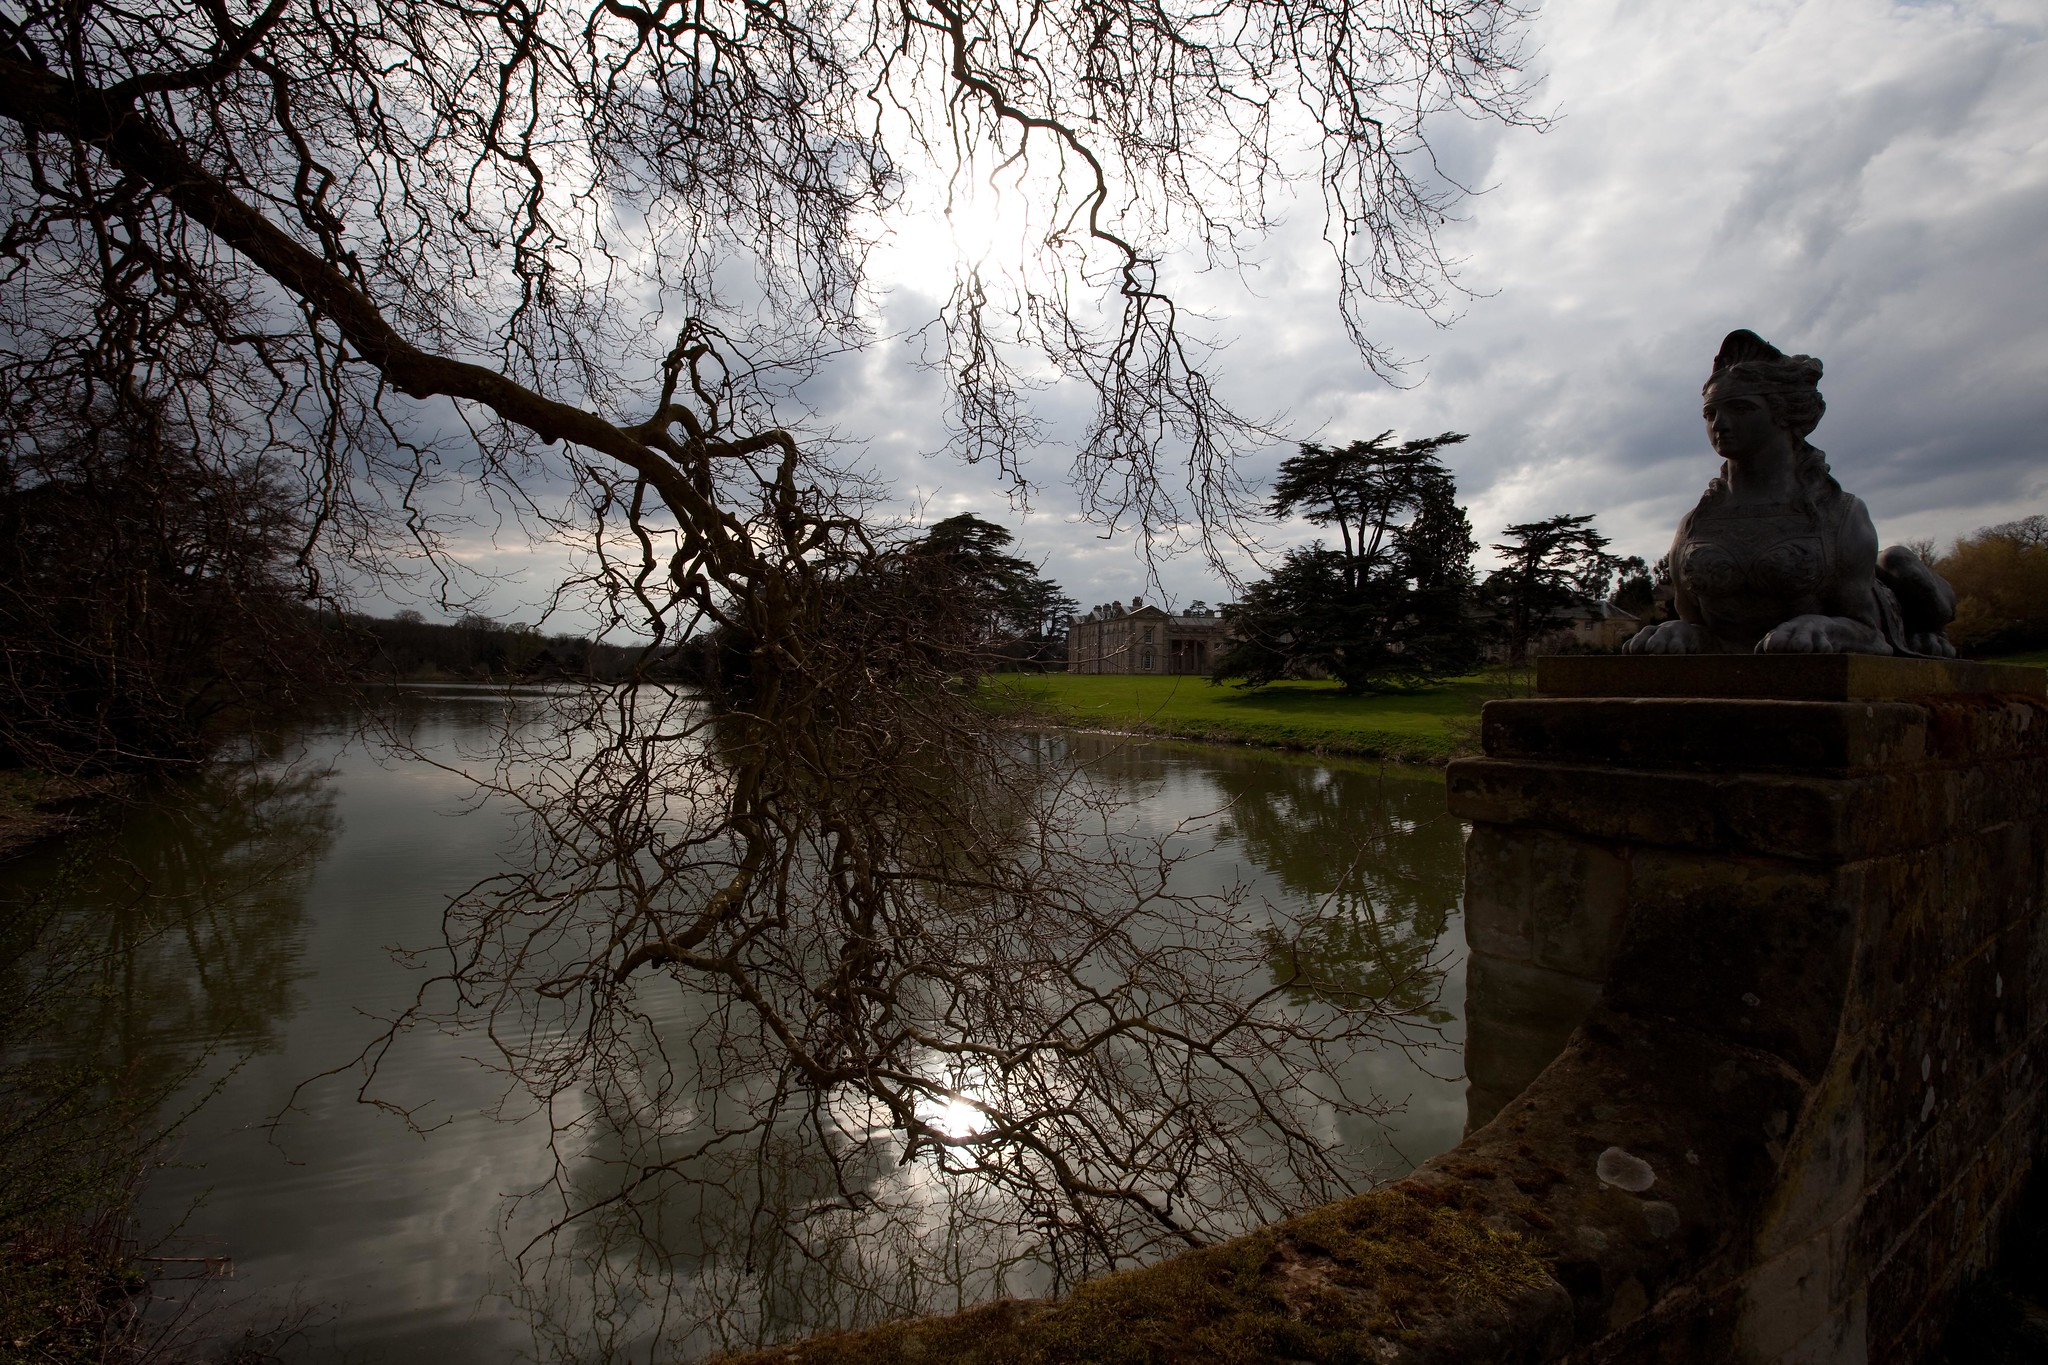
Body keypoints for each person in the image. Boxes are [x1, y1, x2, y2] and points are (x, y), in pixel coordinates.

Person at [1624, 329, 1954, 657]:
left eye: (1740, 408)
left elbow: (1868, 631)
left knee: (1897, 563)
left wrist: (1822, 626)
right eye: (1710, 413)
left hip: (1888, 607)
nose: (1719, 424)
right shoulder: (1693, 526)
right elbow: (1697, 623)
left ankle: (1924, 628)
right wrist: (1680, 631)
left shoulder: (1842, 514)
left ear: (1783, 412)